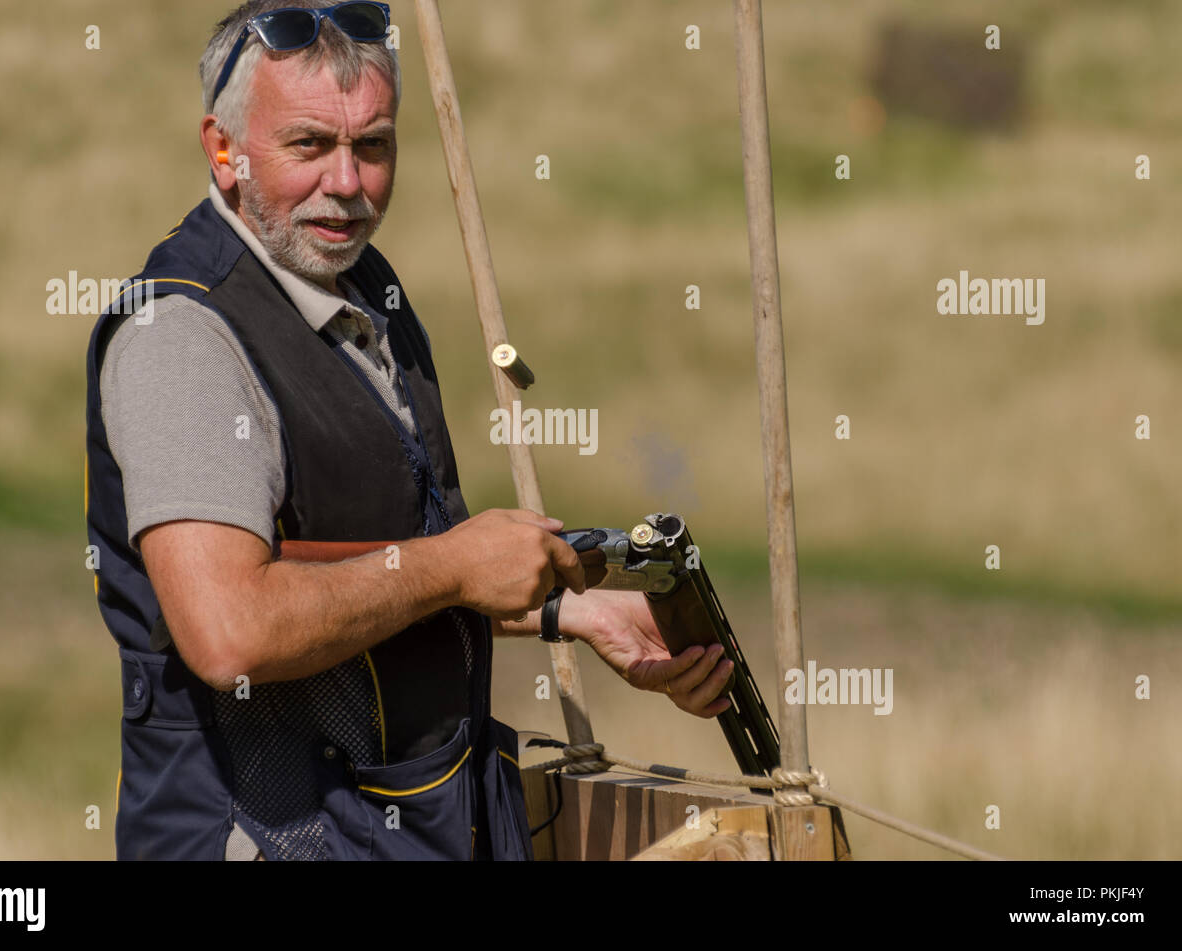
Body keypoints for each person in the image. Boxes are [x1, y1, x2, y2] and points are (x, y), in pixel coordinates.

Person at [84, 0, 735, 861]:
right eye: (310, 145)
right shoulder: (183, 338)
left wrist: (570, 607)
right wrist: (459, 563)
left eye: (374, 145)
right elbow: (231, 624)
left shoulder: (355, 284)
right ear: (223, 148)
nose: (348, 184)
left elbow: (366, 569)